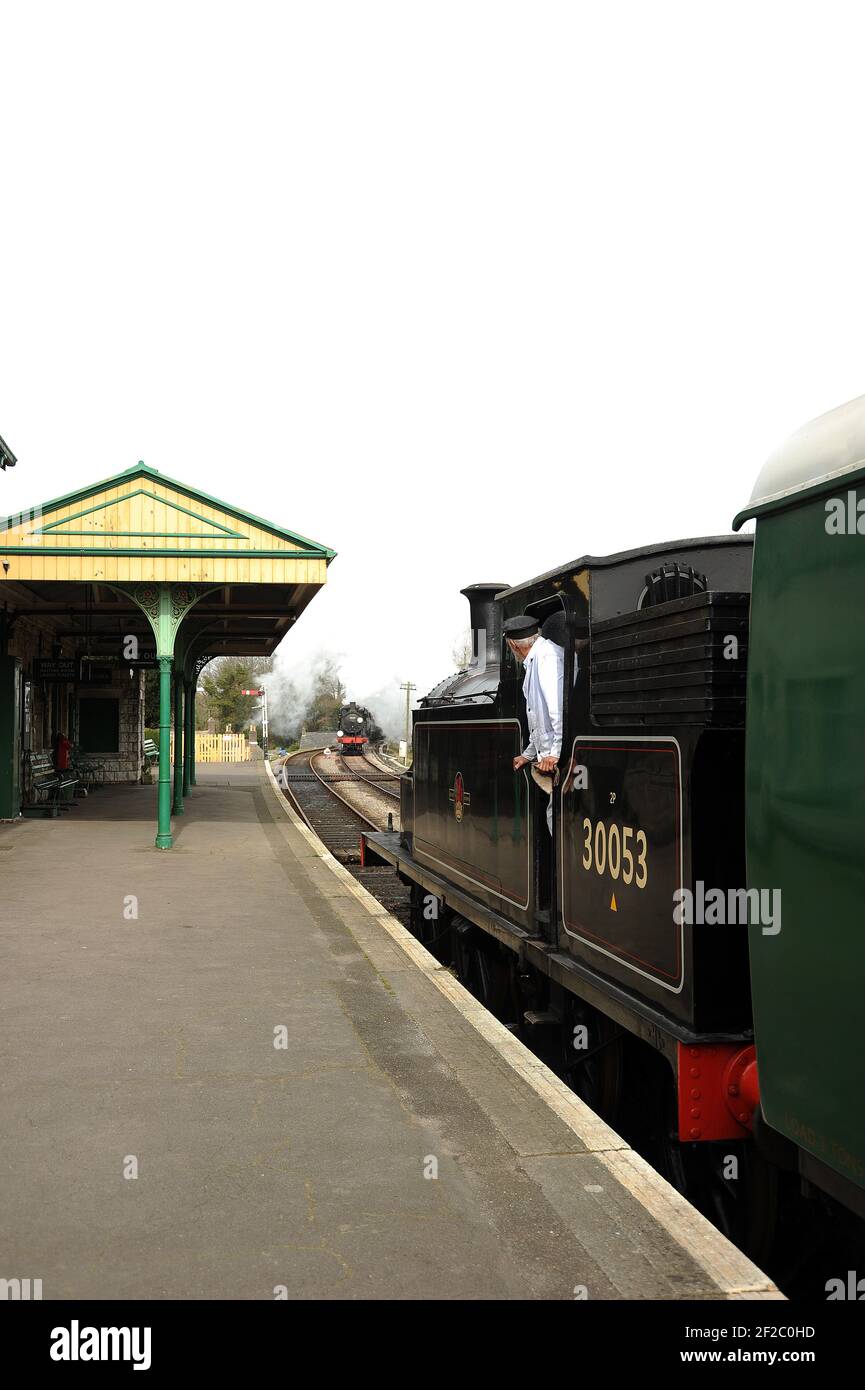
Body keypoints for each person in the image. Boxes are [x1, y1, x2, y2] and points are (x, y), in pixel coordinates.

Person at [504, 613, 564, 834]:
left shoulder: (546, 659)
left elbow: (557, 709)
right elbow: (539, 719)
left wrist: (554, 754)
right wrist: (528, 754)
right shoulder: (537, 659)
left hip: (559, 756)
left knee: (555, 817)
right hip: (549, 754)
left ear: (513, 645)